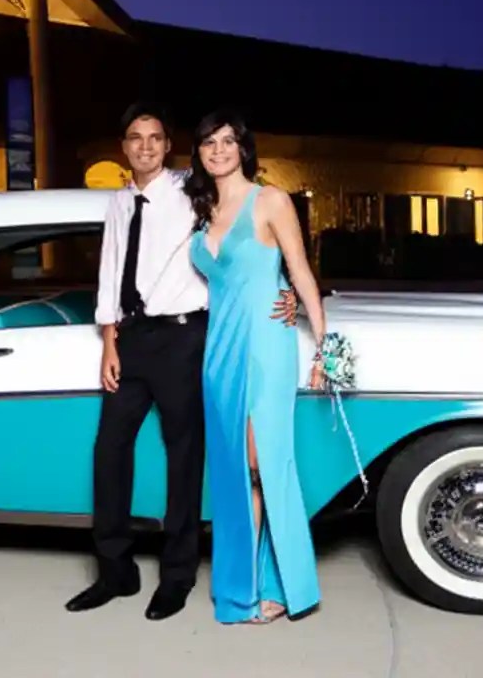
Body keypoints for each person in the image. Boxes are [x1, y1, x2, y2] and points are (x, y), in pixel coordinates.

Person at [65, 102, 296, 621]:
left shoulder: (193, 190)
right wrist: (109, 342)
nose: (145, 146)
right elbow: (110, 273)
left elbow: (250, 240)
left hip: (183, 338)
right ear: (123, 147)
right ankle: (115, 572)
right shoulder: (119, 203)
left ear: (168, 147)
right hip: (130, 339)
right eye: (135, 138)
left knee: (184, 458)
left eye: (155, 138)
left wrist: (287, 292)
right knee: (109, 452)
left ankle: (177, 577)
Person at [186, 109, 326, 625]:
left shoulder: (270, 200)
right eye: (209, 143)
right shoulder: (199, 209)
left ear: (244, 148)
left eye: (228, 141)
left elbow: (300, 269)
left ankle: (282, 586)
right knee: (230, 472)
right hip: (219, 352)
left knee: (262, 464)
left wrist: (323, 345)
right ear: (199, 153)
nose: (219, 150)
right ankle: (240, 586)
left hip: (266, 345)